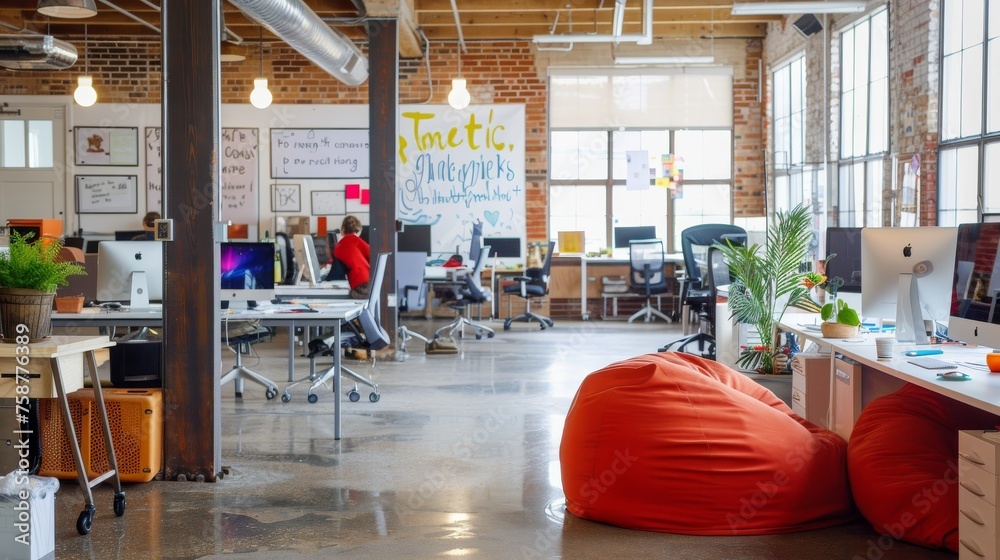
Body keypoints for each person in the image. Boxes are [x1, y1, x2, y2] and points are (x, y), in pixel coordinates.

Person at [333, 215, 371, 299]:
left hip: (359, 286)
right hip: (369, 282)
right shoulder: (361, 242)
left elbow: (337, 274)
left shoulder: (339, 247)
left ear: (342, 231)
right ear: (358, 231)